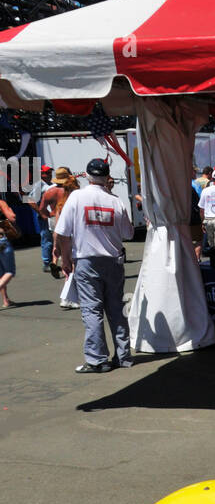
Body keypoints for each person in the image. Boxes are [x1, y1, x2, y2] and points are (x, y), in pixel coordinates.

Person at [54, 157, 134, 373]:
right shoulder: (116, 201)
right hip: (114, 260)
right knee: (116, 309)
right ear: (107, 176)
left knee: (92, 310)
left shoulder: (77, 197)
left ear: (87, 176)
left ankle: (97, 359)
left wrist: (66, 258)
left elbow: (62, 232)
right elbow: (128, 233)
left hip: (87, 260)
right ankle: (124, 355)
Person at [49, 167, 81, 307]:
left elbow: (57, 229)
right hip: (73, 238)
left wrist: (56, 247)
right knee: (73, 268)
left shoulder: (59, 203)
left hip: (62, 238)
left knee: (67, 267)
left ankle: (67, 298)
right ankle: (71, 298)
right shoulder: (74, 203)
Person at [27, 165, 55, 270]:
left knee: (54, 239)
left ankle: (53, 261)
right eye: (46, 173)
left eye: (50, 172)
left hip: (52, 216)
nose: (49, 174)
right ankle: (47, 262)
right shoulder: (39, 185)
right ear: (41, 174)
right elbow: (30, 200)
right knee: (47, 239)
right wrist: (42, 212)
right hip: (45, 217)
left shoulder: (51, 184)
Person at [0, 195, 19, 308]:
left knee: (1, 273)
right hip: (1, 239)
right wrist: (11, 211)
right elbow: (12, 218)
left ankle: (6, 300)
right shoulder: (1, 203)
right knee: (10, 271)